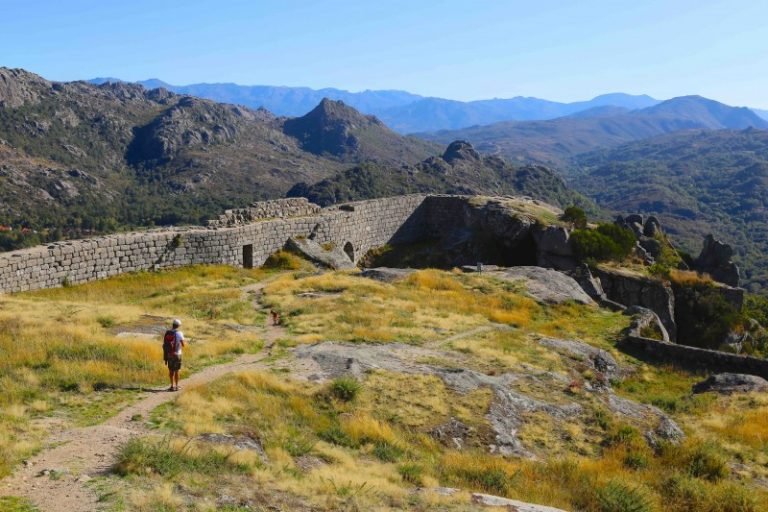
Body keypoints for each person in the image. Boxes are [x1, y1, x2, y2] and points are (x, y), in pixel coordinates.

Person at [167, 318, 186, 391]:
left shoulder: (168, 332)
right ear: (178, 326)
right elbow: (183, 344)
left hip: (169, 354)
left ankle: (172, 386)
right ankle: (177, 386)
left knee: (171, 370)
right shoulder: (179, 333)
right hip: (177, 354)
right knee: (177, 371)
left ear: (173, 325)